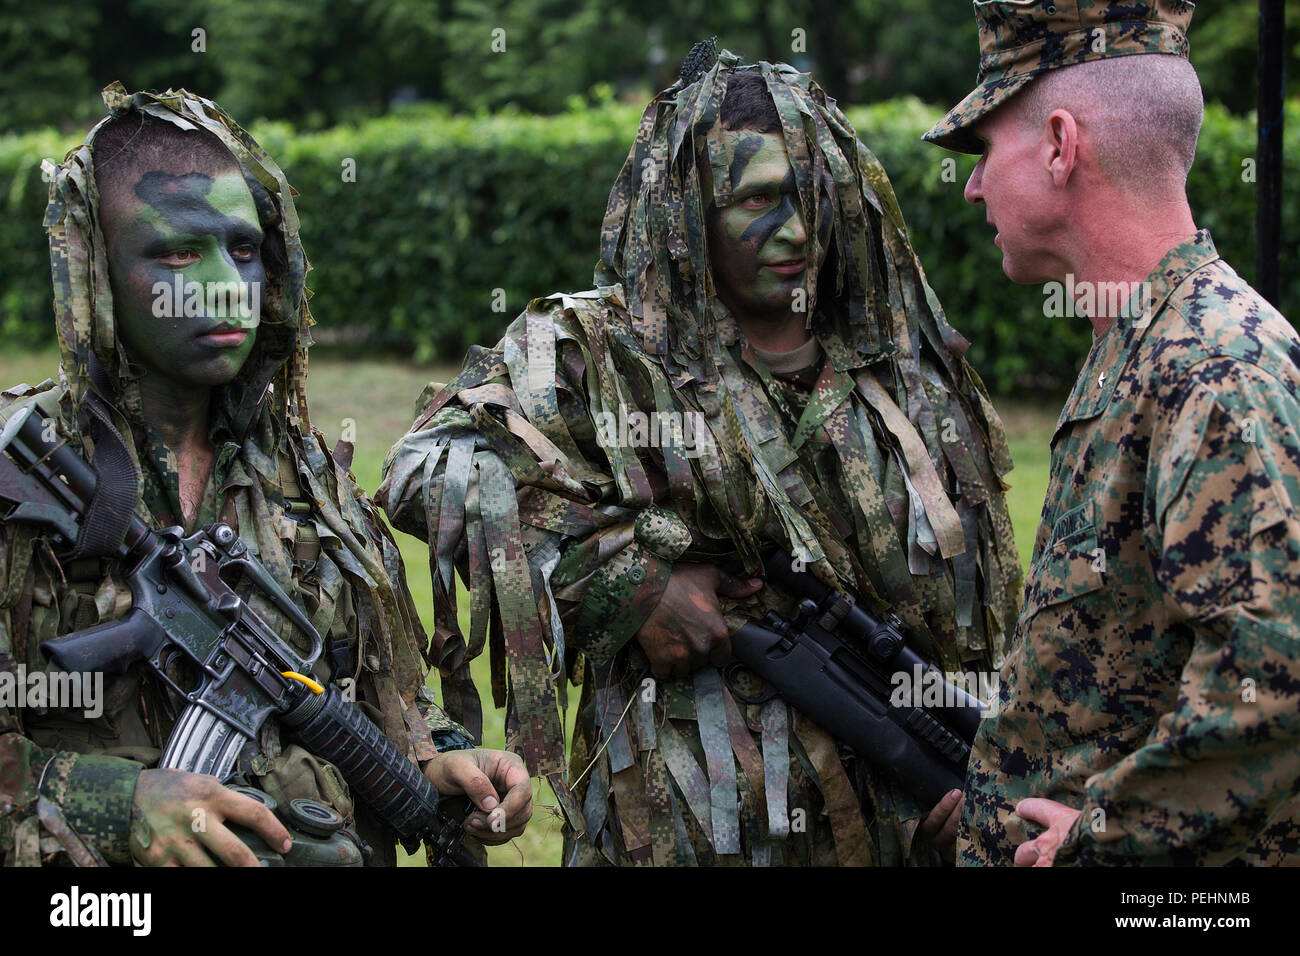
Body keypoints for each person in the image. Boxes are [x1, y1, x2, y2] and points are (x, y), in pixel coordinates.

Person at [379, 45, 1022, 866]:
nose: (794, 231)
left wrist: (989, 787)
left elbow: (989, 619)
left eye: (808, 196)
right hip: (688, 839)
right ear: (687, 212)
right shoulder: (598, 355)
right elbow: (428, 468)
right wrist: (630, 581)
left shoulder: (911, 373)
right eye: (755, 201)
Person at [0, 84, 531, 867]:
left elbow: (366, 687)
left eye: (243, 251)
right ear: (97, 272)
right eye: (177, 252)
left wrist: (433, 758)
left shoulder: (310, 475)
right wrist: (123, 807)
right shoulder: (26, 466)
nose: (223, 285)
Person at [924, 0, 1300, 865]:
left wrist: (1107, 838)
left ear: (1060, 145)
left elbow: (1275, 670)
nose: (974, 185)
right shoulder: (1135, 350)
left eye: (985, 151)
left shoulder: (1212, 367)